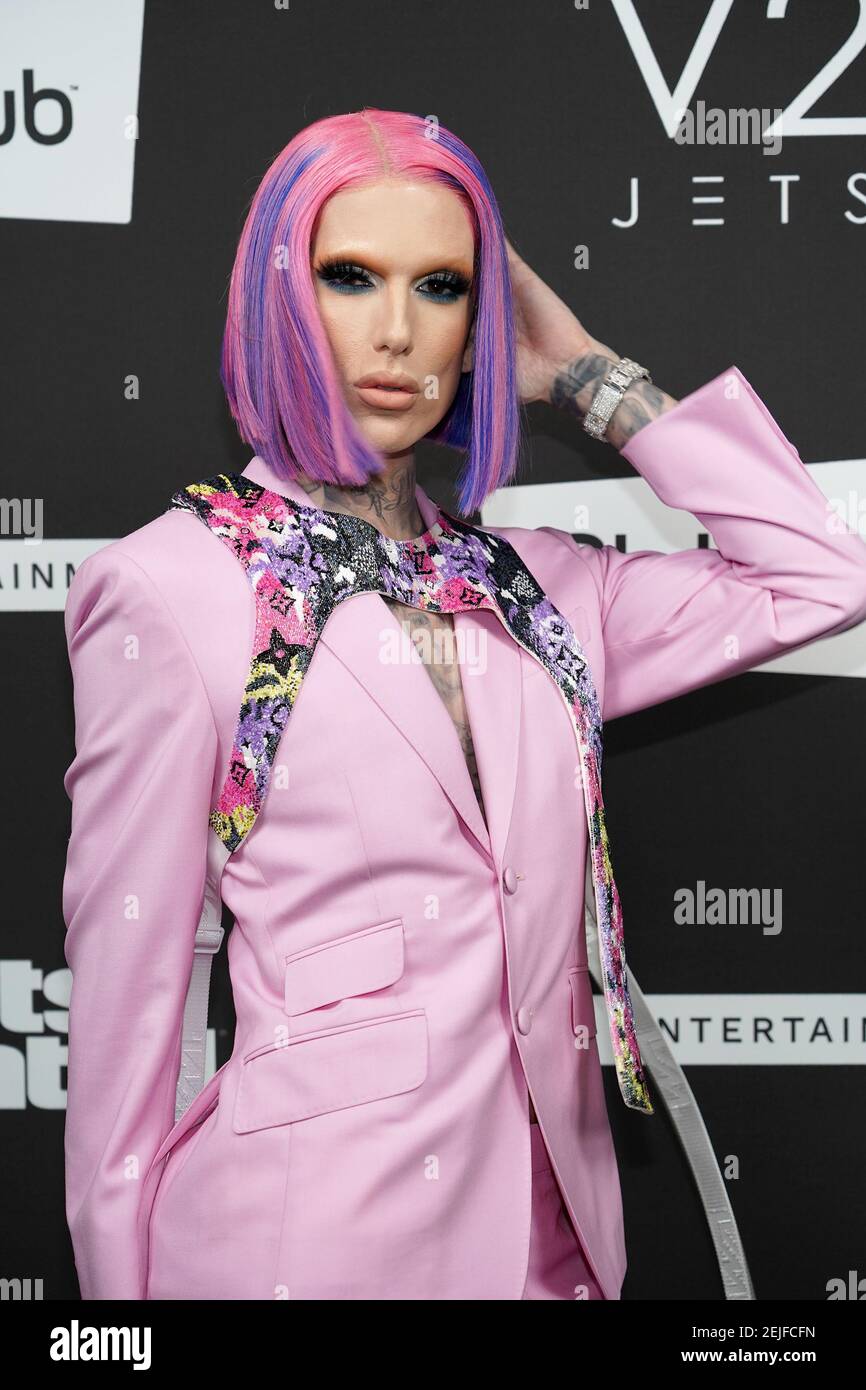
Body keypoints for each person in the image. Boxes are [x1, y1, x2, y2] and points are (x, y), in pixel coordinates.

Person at [61, 107, 866, 1302]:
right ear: (278, 296)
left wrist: (588, 376)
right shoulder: (173, 590)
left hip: (555, 1243)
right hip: (298, 1253)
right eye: (349, 278)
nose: (395, 331)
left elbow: (823, 573)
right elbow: (124, 1038)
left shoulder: (544, 593)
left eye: (440, 286)